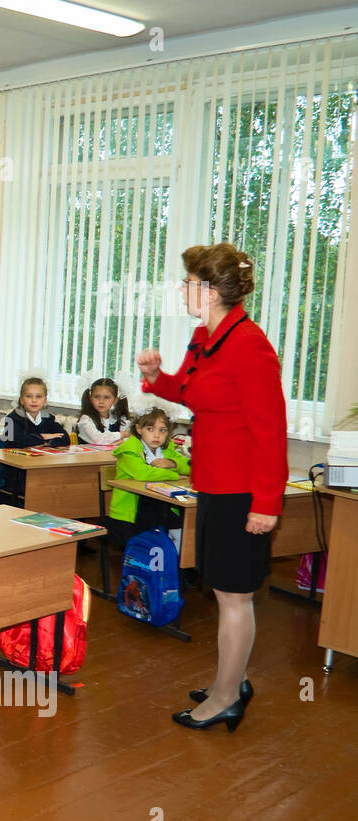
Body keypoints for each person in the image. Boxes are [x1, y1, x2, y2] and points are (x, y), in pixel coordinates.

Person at [137, 243, 287, 732]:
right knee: (224, 590)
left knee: (234, 595)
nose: (182, 290)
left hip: (243, 493)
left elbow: (270, 432)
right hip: (215, 486)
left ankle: (225, 697)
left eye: (188, 282)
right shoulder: (207, 336)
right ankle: (232, 679)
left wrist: (266, 504)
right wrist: (157, 378)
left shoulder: (249, 344)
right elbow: (190, 391)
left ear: (209, 289)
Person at [0, 376, 70, 505]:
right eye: (29, 396)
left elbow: (65, 439)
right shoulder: (12, 418)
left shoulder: (49, 418)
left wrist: (42, 441)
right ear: (21, 399)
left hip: (38, 466)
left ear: (45, 400)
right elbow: (18, 442)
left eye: (38, 396)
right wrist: (44, 437)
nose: (34, 400)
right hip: (13, 470)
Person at [108, 407, 191, 546]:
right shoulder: (129, 450)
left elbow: (190, 466)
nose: (157, 435)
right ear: (139, 429)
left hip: (159, 509)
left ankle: (177, 560)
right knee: (170, 526)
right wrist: (174, 475)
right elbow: (144, 473)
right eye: (150, 429)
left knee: (183, 524)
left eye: (162, 430)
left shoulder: (166, 449)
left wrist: (172, 463)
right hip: (128, 515)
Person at [77, 377, 131, 446]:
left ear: (115, 400)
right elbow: (98, 439)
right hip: (88, 456)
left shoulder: (119, 419)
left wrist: (120, 441)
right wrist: (122, 434)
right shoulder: (86, 420)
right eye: (96, 397)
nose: (101, 401)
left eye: (106, 397)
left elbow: (129, 438)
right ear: (90, 398)